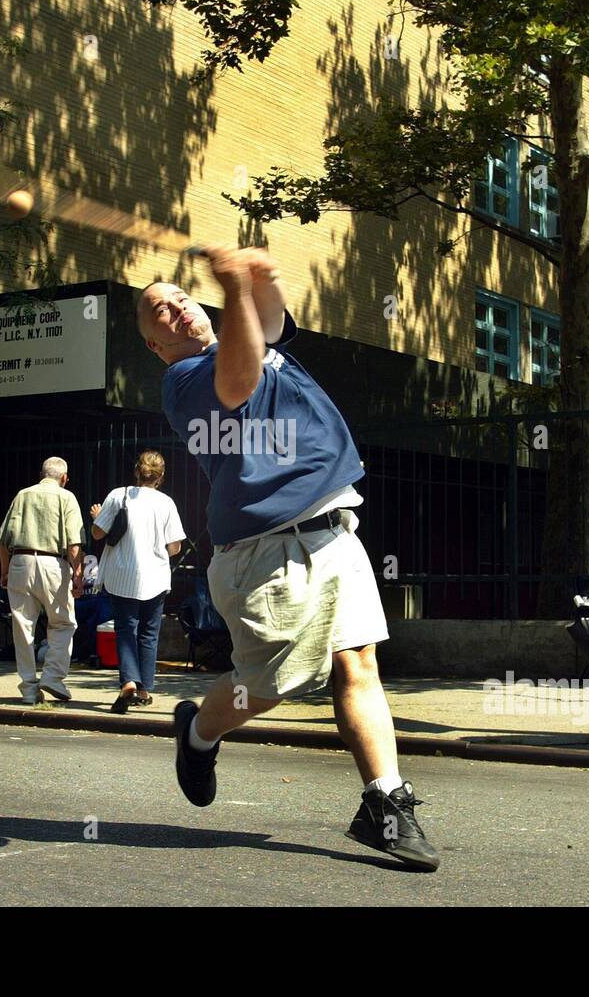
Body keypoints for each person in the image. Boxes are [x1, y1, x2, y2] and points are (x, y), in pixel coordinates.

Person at [140, 244, 439, 871]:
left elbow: (270, 323)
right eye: (159, 314)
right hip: (264, 552)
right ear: (155, 346)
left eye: (180, 299)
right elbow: (239, 380)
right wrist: (237, 293)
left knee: (357, 665)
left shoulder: (251, 338)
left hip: (334, 528)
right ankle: (197, 733)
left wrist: (262, 277)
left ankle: (385, 803)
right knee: (269, 687)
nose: (175, 310)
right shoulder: (185, 379)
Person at [91, 450, 185, 713]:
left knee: (125, 630)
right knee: (149, 632)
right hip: (155, 575)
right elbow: (175, 547)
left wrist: (97, 517)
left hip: (122, 575)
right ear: (161, 476)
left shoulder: (117, 495)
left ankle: (129, 682)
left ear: (136, 471)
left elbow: (98, 533)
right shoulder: (166, 503)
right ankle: (144, 689)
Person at [0, 457, 85, 703]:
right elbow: (74, 544)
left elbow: (3, 541)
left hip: (20, 562)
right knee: (63, 623)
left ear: (41, 474)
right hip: (54, 564)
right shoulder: (67, 497)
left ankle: (29, 688)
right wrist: (77, 574)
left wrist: (4, 571)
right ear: (64, 478)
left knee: (23, 626)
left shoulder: (22, 495)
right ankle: (53, 676)